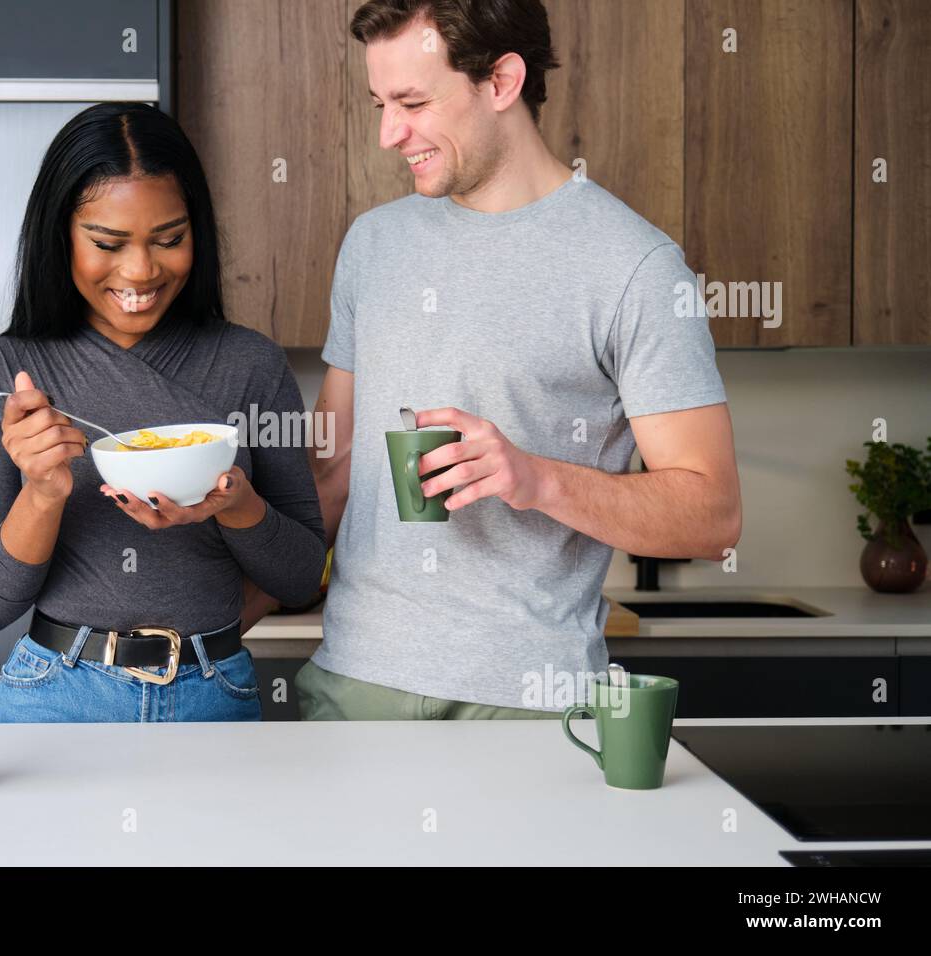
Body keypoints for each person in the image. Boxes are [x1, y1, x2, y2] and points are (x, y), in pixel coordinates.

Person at [300, 0, 741, 719]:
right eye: (380, 103)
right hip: (353, 686)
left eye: (412, 102)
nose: (388, 133)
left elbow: (712, 512)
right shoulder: (373, 246)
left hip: (525, 702)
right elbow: (332, 471)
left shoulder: (635, 266)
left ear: (502, 81)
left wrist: (534, 477)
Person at [0, 102, 327, 722]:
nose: (141, 271)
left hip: (215, 691)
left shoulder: (251, 365)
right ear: (60, 235)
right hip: (57, 694)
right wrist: (42, 493)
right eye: (107, 242)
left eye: (169, 239)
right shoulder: (1, 378)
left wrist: (238, 505)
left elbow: (300, 576)